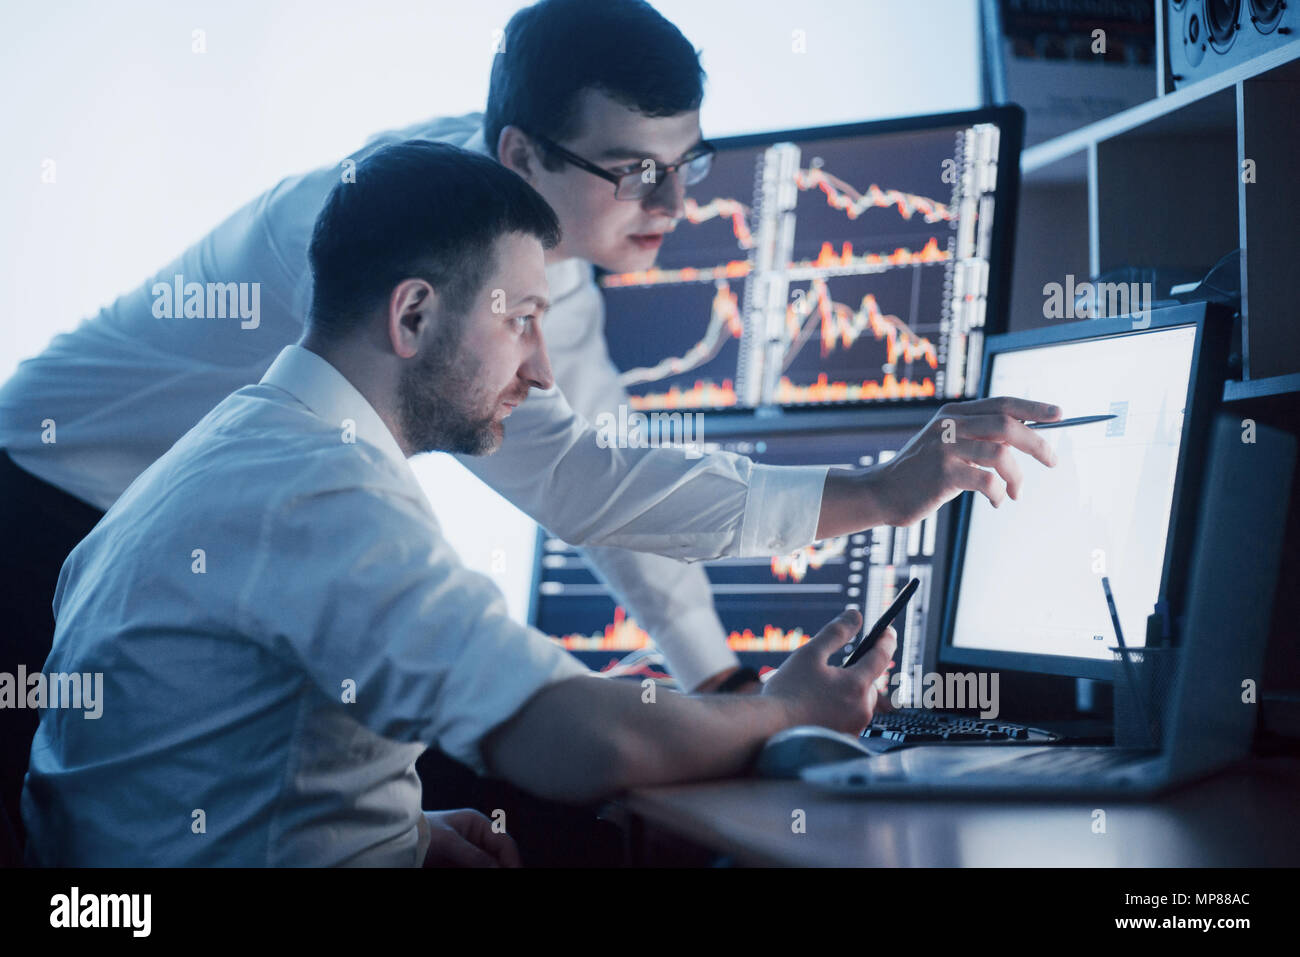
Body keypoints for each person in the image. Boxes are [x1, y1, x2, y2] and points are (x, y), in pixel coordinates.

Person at [0, 0, 1061, 858]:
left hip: (165, 554)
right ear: (520, 153)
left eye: (688, 164)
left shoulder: (508, 264)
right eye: (637, 170)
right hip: (41, 505)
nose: (677, 204)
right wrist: (786, 691)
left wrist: (723, 683)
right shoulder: (363, 240)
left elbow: (592, 469)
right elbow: (580, 493)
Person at [21, 141, 903, 866]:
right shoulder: (324, 493)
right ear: (412, 317)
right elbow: (585, 739)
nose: (542, 368)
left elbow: (204, 779)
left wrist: (400, 836)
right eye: (521, 317)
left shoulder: (218, 454)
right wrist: (785, 712)